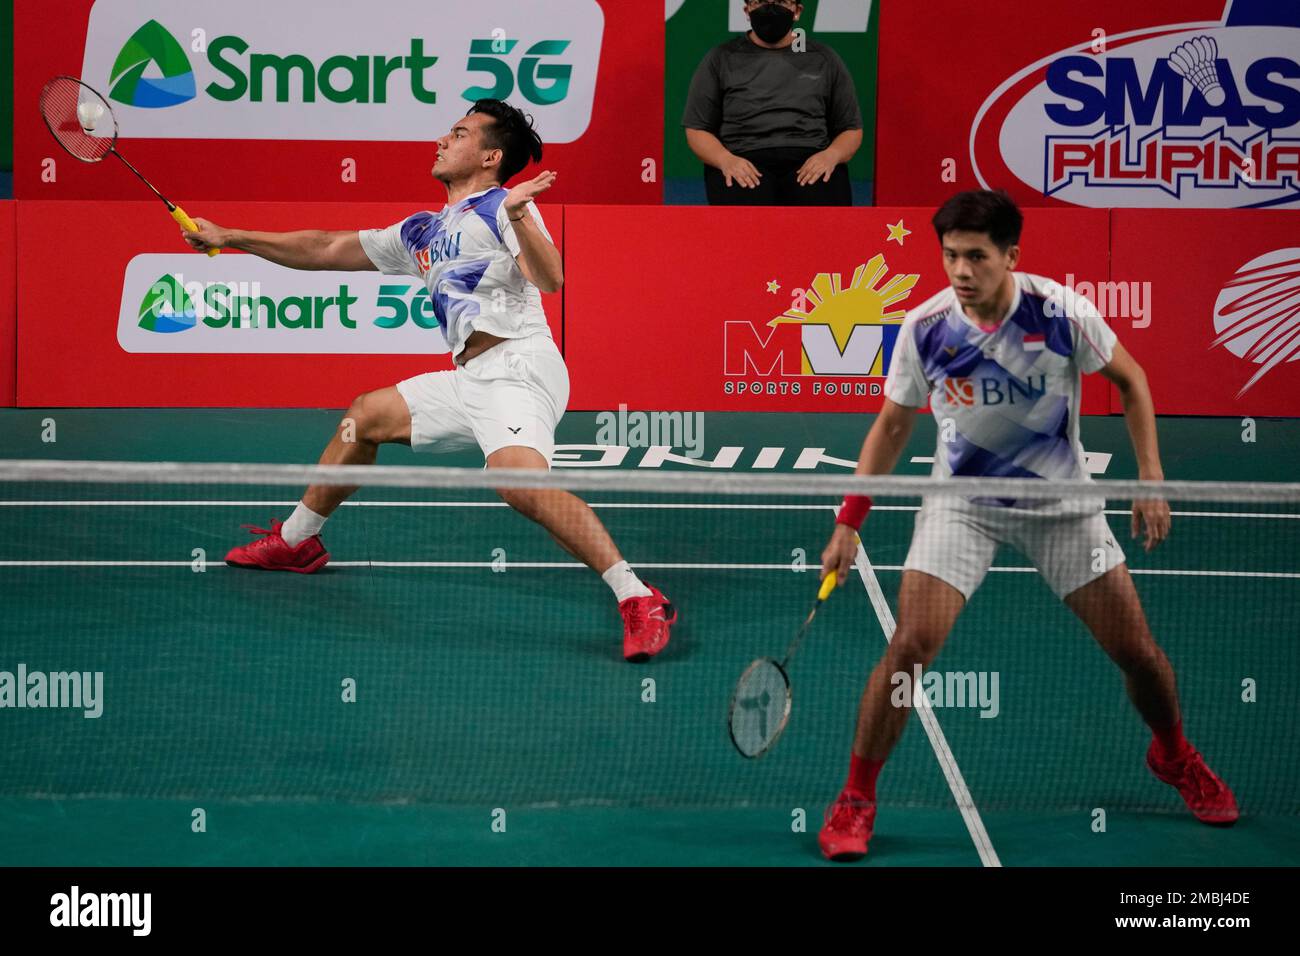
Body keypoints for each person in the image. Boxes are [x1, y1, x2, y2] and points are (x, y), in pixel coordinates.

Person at [815, 189, 1238, 862]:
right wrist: (850, 522)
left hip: (1060, 506)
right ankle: (857, 795)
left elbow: (1132, 381)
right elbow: (893, 425)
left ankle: (1174, 753)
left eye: (976, 257)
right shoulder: (925, 327)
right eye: (950, 255)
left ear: (1011, 255)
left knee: (1138, 654)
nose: (960, 271)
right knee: (910, 648)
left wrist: (1151, 479)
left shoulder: (1061, 314)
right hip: (962, 506)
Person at [180, 99, 676, 663]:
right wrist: (232, 236)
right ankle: (296, 542)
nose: (443, 140)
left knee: (520, 485)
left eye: (459, 134)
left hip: (518, 365)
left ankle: (639, 597)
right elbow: (326, 247)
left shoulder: (501, 208)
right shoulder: (423, 229)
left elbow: (551, 278)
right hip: (470, 377)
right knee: (363, 418)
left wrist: (517, 214)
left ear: (491, 156)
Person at [682, 0, 862, 206]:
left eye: (781, 2)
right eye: (760, 2)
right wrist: (725, 160)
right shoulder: (721, 58)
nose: (770, 9)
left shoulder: (824, 59)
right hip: (742, 158)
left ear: (797, 11)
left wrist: (832, 155)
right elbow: (697, 129)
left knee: (824, 220)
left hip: (810, 157)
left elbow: (851, 129)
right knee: (746, 223)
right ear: (746, 10)